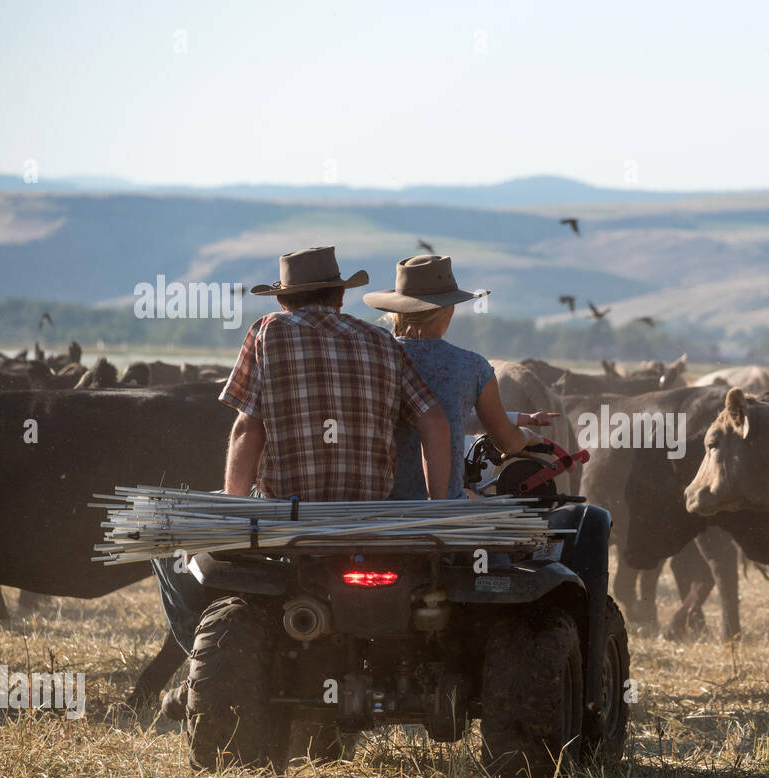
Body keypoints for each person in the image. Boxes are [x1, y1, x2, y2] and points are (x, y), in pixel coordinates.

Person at [155, 245, 450, 718]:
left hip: (289, 514)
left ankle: (200, 662)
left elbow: (248, 428)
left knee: (170, 547)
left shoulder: (267, 332)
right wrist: (439, 505)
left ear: (283, 301)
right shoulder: (379, 342)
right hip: (366, 514)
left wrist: (233, 512)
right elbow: (433, 420)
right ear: (338, 297)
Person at [363, 253, 559, 499]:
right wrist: (527, 438)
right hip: (445, 510)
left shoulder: (373, 359)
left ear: (397, 312)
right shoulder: (472, 367)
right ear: (448, 310)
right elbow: (506, 442)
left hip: (377, 505)